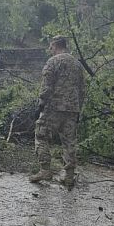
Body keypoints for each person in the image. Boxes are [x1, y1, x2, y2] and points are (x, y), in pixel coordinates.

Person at [30, 35, 86, 189]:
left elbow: (46, 86)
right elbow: (82, 90)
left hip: (53, 107)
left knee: (41, 136)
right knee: (69, 142)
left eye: (51, 47)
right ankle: (69, 176)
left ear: (55, 45)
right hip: (72, 109)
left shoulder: (53, 62)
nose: (50, 50)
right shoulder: (77, 64)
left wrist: (40, 105)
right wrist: (78, 109)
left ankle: (45, 170)